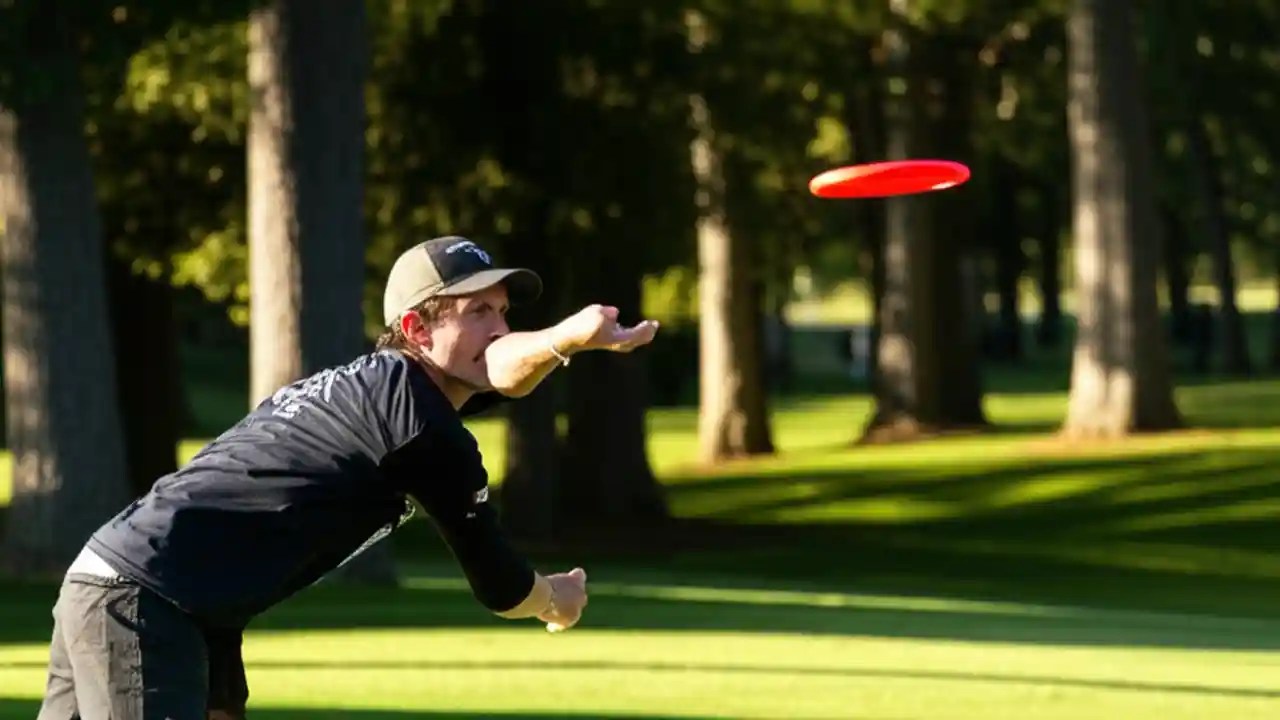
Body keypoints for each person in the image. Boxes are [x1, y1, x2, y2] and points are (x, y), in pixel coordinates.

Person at [36, 235, 660, 720]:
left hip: (168, 596)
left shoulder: (382, 390)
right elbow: (500, 584)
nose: (499, 328)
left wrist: (567, 342)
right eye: (477, 312)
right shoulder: (417, 421)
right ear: (416, 329)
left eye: (502, 311)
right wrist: (555, 598)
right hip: (148, 597)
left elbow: (502, 368)